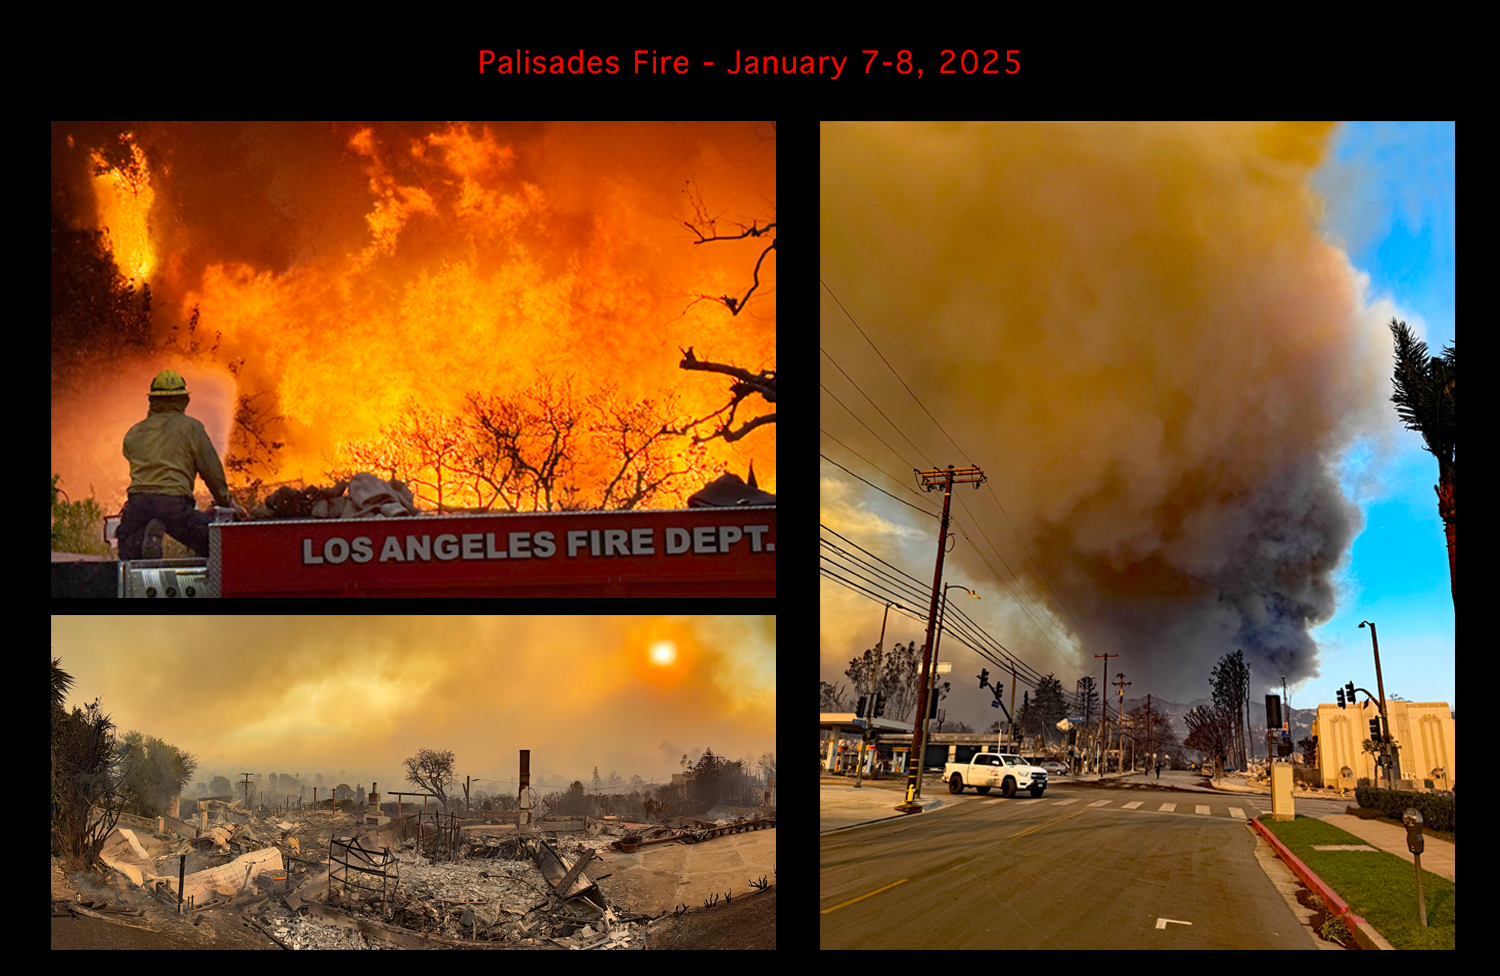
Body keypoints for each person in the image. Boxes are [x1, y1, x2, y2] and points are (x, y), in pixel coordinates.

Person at [117, 370, 244, 560]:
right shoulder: (192, 428)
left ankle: (146, 543)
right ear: (183, 399)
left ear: (152, 400)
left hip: (138, 503)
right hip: (173, 504)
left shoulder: (134, 432)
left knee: (128, 552)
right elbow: (211, 471)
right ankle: (205, 582)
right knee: (218, 542)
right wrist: (225, 501)